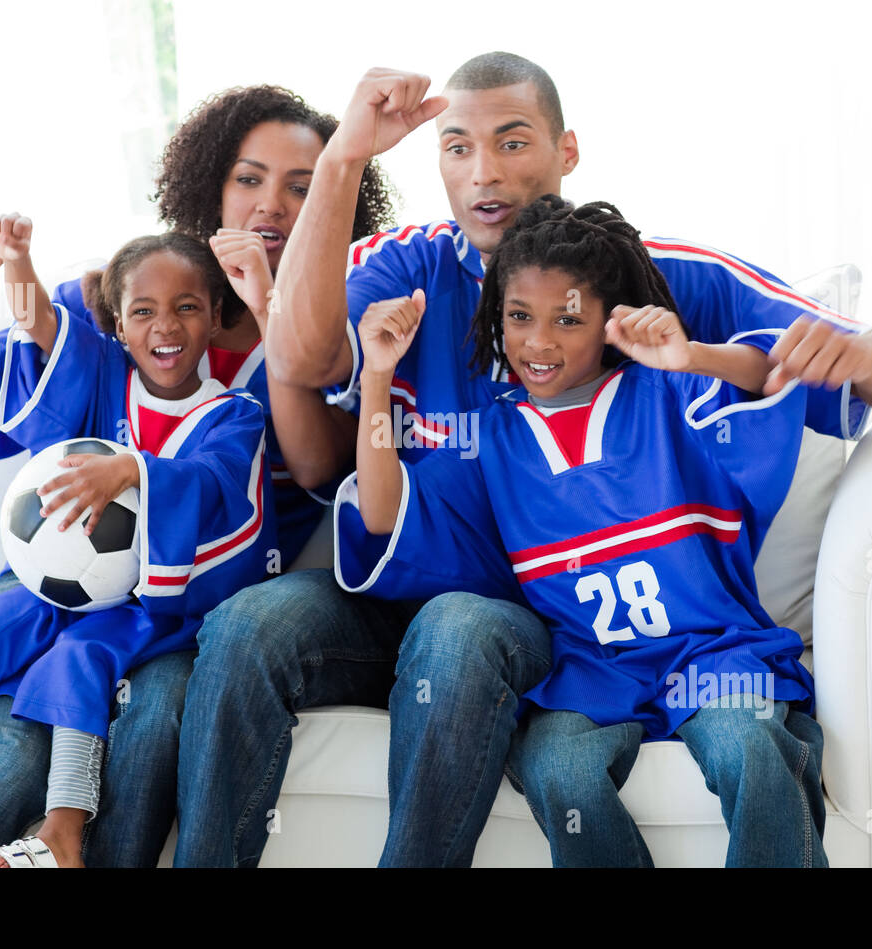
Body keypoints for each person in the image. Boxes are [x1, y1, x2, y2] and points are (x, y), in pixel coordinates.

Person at [172, 53, 872, 867]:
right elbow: (306, 362)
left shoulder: (659, 278)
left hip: (545, 627)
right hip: (419, 575)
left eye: (512, 141)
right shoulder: (409, 269)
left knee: (461, 628)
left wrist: (851, 356)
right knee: (251, 625)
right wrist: (344, 157)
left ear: (567, 151)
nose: (484, 173)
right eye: (457, 147)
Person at [0, 86, 394, 868]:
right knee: (9, 756)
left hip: (183, 602)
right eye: (249, 179)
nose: (270, 206)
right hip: (63, 571)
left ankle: (66, 844)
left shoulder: (333, 323)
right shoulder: (129, 295)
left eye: (302, 186)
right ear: (210, 183)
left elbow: (315, 467)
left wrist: (274, 307)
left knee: (146, 734)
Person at [340, 196, 826, 867]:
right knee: (560, 772)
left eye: (567, 320)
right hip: (591, 671)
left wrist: (691, 357)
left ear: (607, 323)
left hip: (712, 655)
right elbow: (380, 513)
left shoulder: (664, 393)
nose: (538, 342)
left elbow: (770, 373)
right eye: (518, 318)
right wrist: (377, 375)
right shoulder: (494, 438)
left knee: (751, 748)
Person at [0, 216, 276, 868]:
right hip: (63, 583)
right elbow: (46, 328)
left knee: (79, 657)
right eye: (143, 311)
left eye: (187, 309)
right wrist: (17, 262)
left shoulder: (232, 413)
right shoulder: (101, 374)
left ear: (213, 320)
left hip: (152, 604)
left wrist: (133, 470)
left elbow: (217, 486)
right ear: (118, 327)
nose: (166, 327)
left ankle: (63, 831)